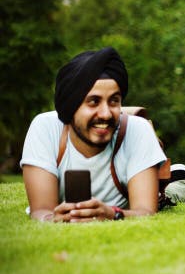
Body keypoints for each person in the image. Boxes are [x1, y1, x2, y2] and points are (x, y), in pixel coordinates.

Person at [20, 47, 167, 222]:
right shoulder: (45, 128)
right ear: (71, 105)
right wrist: (53, 219)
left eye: (114, 101)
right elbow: (41, 211)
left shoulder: (138, 130)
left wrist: (112, 214)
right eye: (93, 102)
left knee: (178, 189)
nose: (105, 114)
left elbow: (145, 211)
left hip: (151, 180)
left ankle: (181, 177)